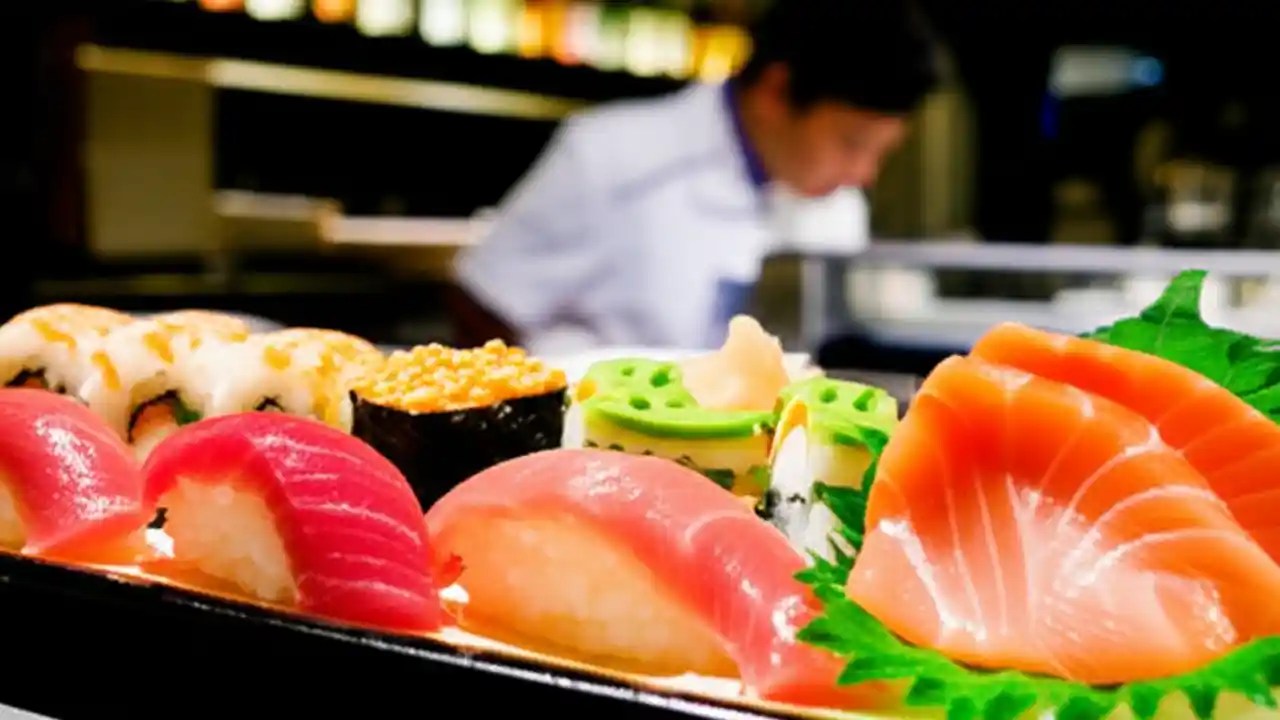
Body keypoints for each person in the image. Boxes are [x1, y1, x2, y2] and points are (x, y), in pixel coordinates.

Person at [448, 0, 941, 355]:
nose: (862, 174)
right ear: (776, 92)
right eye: (851, 144)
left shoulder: (836, 204)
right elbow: (485, 300)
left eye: (880, 155)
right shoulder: (612, 154)